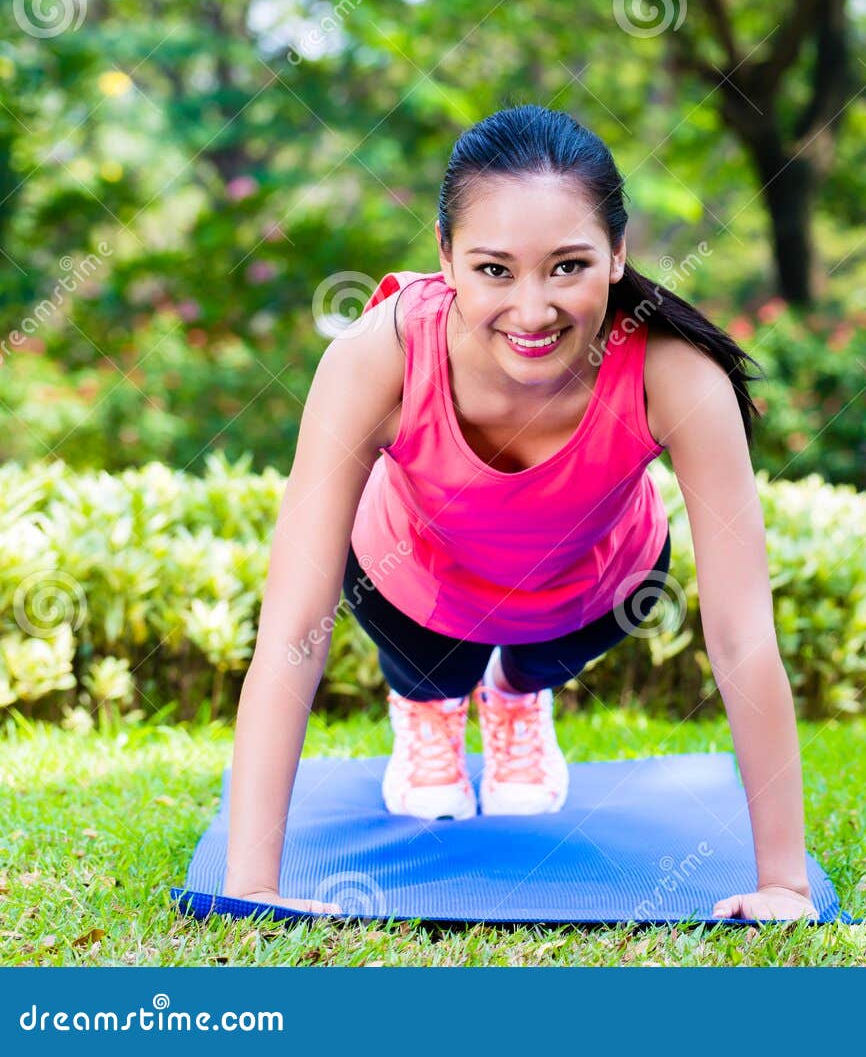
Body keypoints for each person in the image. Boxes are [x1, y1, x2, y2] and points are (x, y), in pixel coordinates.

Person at [220, 104, 818, 922]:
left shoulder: (676, 375)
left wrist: (784, 882)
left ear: (617, 253)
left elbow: (744, 634)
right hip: (414, 585)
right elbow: (292, 629)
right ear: (446, 258)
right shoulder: (375, 358)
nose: (533, 311)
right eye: (495, 270)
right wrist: (253, 886)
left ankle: (518, 698)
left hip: (594, 585)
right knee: (441, 672)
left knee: (530, 663)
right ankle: (431, 708)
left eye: (567, 266)